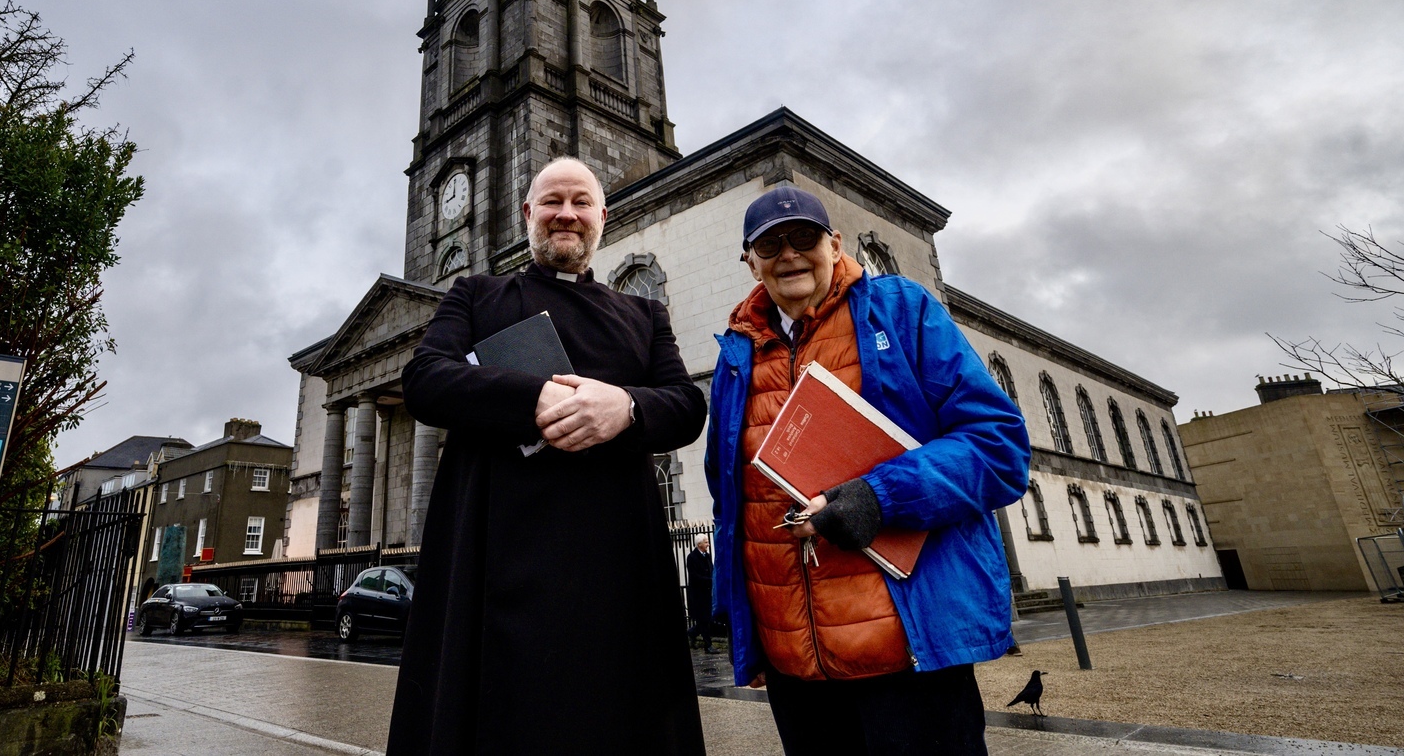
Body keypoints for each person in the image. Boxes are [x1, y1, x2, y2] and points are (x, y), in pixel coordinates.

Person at [389, 158, 709, 756]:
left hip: (616, 566)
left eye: (582, 203)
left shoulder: (643, 316)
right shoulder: (475, 295)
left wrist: (626, 408)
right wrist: (533, 396)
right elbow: (425, 381)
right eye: (553, 201)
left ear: (602, 219)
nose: (567, 214)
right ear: (528, 214)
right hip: (498, 561)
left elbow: (686, 407)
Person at [704, 186, 1031, 756]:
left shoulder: (902, 310)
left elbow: (999, 446)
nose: (789, 253)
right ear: (749, 261)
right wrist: (748, 636)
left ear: (834, 243)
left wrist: (879, 497)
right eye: (770, 243)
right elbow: (732, 506)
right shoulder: (736, 356)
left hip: (903, 652)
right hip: (797, 667)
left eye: (804, 237)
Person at [684, 535, 715, 652]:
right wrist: (709, 580)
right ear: (699, 544)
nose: (708, 544)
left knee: (707, 619)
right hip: (698, 594)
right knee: (704, 619)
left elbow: (711, 569)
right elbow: (694, 576)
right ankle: (708, 645)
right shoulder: (691, 557)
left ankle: (691, 633)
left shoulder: (706, 556)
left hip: (707, 592)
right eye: (706, 542)